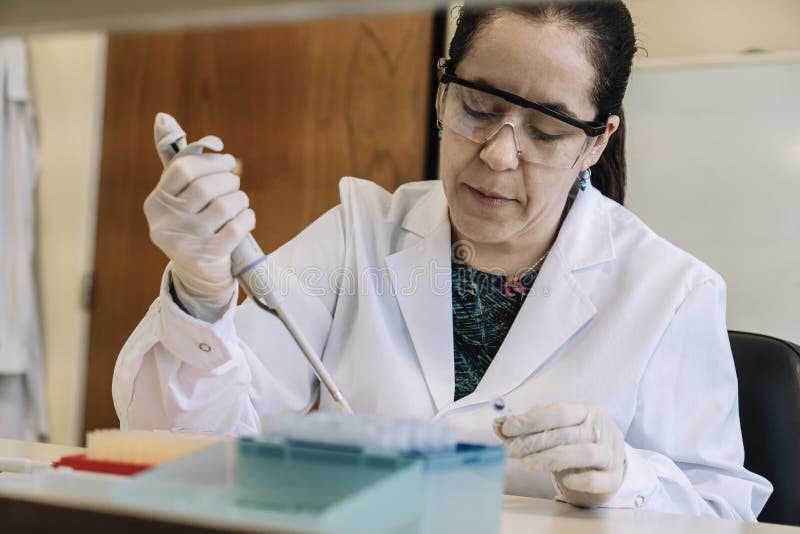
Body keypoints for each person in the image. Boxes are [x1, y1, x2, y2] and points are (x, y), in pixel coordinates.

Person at [112, 1, 772, 520]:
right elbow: (191, 448)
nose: (498, 155)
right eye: (478, 110)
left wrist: (628, 475)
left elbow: (725, 512)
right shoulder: (357, 235)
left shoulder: (670, 290)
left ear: (597, 143)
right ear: (441, 95)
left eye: (544, 132)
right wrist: (201, 294)